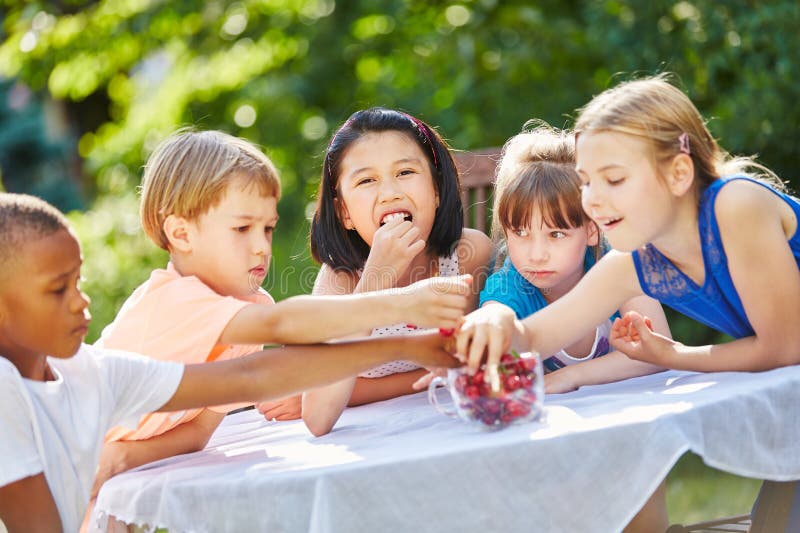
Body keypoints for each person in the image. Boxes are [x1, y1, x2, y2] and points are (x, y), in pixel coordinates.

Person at [454, 74, 800, 533]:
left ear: (679, 173)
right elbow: (534, 336)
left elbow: (783, 348)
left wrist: (675, 356)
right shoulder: (634, 263)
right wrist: (494, 318)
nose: (593, 201)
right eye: (586, 183)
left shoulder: (736, 204)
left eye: (613, 179)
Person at [0, 192, 460, 533]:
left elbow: (252, 376)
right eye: (58, 289)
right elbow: (280, 326)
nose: (81, 302)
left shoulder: (94, 372)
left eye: (79, 282)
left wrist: (407, 347)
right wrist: (398, 302)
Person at [91, 130, 472, 500]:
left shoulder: (251, 307)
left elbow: (199, 433)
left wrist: (118, 459)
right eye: (242, 228)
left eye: (268, 228)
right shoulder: (173, 300)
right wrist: (401, 303)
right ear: (181, 234)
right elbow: (281, 332)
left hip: (102, 474)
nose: (261, 247)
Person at [302, 107, 494, 436]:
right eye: (366, 180)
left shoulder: (469, 256)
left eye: (405, 172)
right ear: (344, 212)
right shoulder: (342, 280)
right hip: (379, 439)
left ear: (435, 190)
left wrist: (358, 389)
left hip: (459, 428)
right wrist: (375, 280)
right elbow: (318, 415)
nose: (390, 192)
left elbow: (482, 359)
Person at [478, 122, 668, 394]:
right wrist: (489, 322)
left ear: (592, 229)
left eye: (556, 234)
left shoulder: (619, 266)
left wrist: (572, 376)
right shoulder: (509, 286)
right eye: (520, 232)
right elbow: (495, 320)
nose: (537, 254)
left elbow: (658, 349)